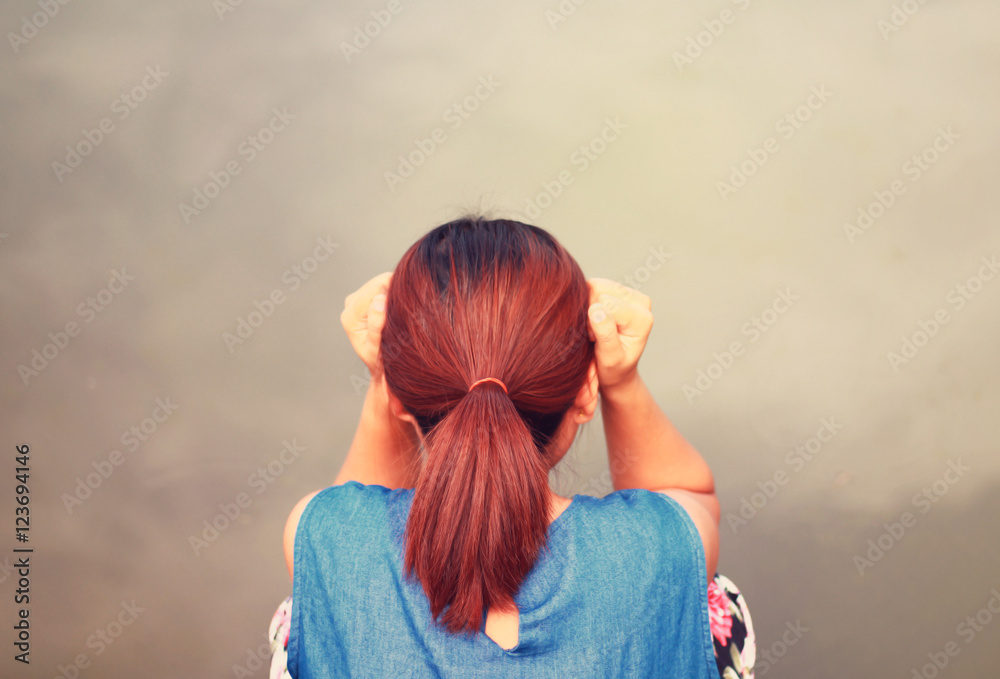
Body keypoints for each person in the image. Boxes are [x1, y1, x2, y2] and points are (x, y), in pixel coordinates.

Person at [272, 216, 755, 678]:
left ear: (399, 397)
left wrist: (385, 376)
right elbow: (679, 492)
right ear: (585, 393)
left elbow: (357, 512)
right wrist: (622, 382)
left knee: (309, 611)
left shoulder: (320, 534)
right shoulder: (661, 548)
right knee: (707, 597)